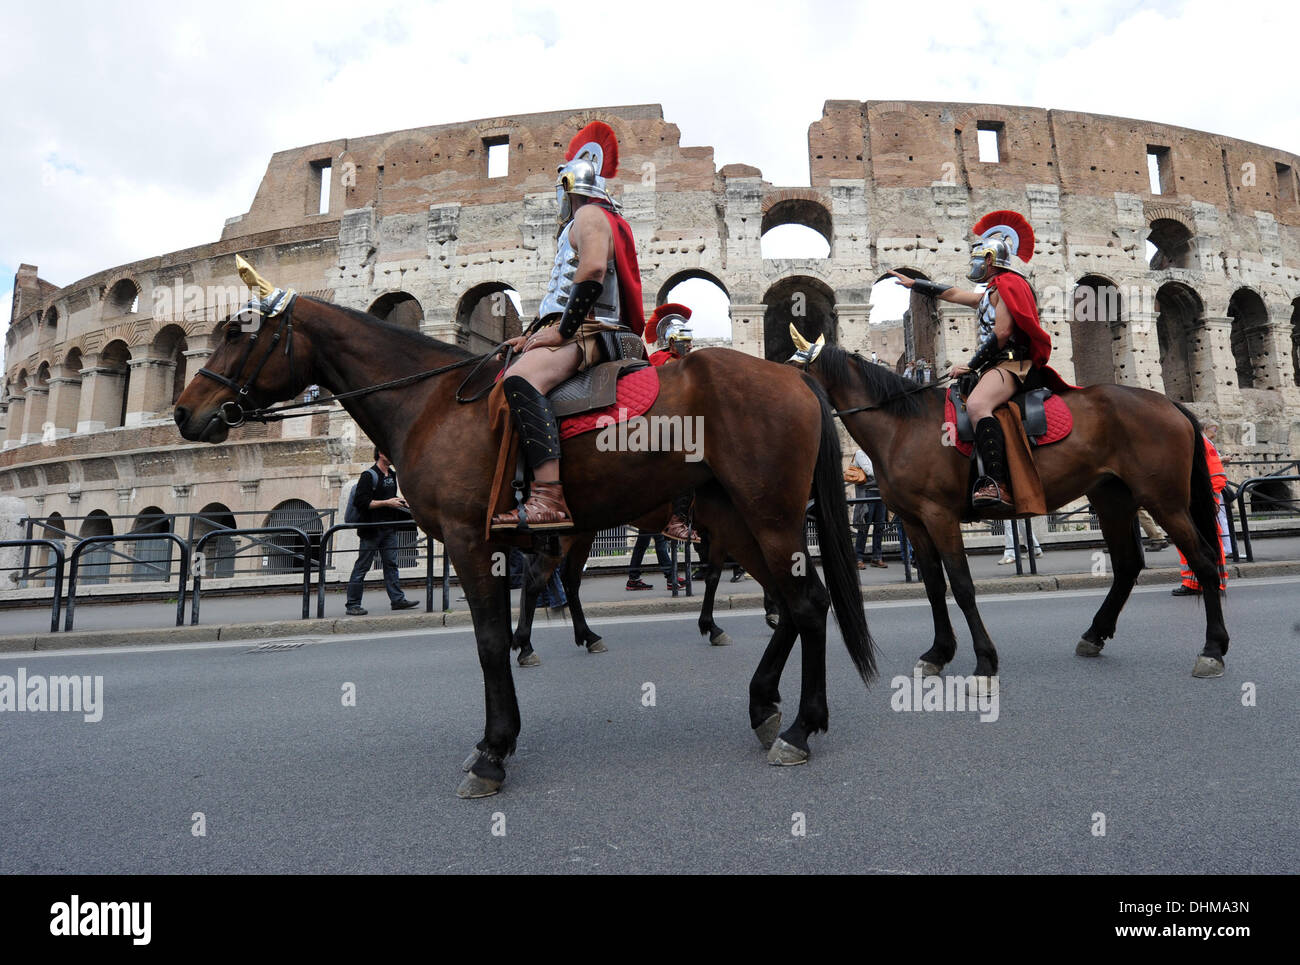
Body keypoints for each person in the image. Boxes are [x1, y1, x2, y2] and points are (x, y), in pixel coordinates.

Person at [490, 121, 644, 532]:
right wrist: (534, 332)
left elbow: (593, 269)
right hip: (577, 325)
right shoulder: (591, 219)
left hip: (594, 329)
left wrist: (561, 331)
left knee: (521, 381)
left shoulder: (591, 215)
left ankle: (548, 497)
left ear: (569, 188)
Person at [890, 210, 1066, 511]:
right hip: (996, 365)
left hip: (1013, 364)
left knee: (976, 406)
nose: (974, 264)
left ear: (989, 260)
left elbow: (1002, 334)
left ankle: (996, 484)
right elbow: (956, 293)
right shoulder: (991, 291)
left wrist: (970, 365)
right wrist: (916, 284)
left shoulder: (1010, 287)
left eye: (977, 258)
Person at [645, 303, 699, 543]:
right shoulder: (662, 361)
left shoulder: (687, 363)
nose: (689, 345)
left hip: (678, 420)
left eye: (690, 341)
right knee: (689, 460)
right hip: (660, 422)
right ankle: (678, 519)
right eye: (684, 342)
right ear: (671, 342)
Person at [346, 447, 418, 615]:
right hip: (371, 529)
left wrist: (400, 502)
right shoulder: (368, 475)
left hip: (389, 528)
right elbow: (361, 502)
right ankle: (352, 604)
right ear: (380, 454)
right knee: (362, 566)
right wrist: (386, 503)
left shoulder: (392, 475)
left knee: (391, 564)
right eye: (388, 452)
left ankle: (397, 600)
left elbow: (390, 497)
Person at [1173, 420, 1230, 596]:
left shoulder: (1200, 443)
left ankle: (1214, 582)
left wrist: (1212, 497)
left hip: (1201, 498)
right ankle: (1192, 583)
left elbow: (1216, 473)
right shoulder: (1176, 442)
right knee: (1186, 539)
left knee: (1208, 540)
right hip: (1187, 499)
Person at [851, 449, 887, 569]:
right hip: (867, 494)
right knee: (864, 526)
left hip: (880, 493)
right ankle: (858, 558)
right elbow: (869, 471)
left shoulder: (876, 452)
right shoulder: (860, 453)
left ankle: (877, 557)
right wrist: (884, 471)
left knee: (879, 526)